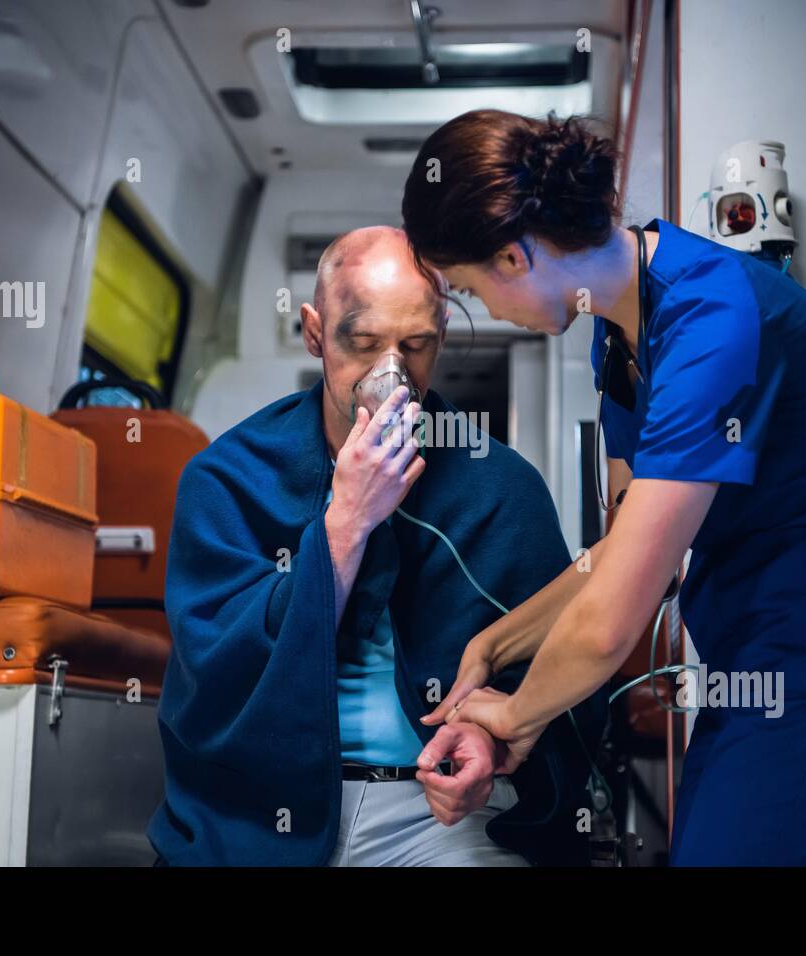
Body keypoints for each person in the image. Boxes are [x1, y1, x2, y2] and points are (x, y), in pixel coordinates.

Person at [403, 111, 806, 865]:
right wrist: (490, 649)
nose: (492, 313)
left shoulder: (710, 321)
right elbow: (620, 554)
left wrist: (514, 717)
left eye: (471, 289)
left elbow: (607, 625)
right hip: (752, 677)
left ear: (515, 259)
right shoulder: (619, 331)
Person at [148, 226, 603, 867]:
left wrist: (493, 743)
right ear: (314, 333)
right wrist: (346, 523)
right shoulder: (229, 478)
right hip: (257, 806)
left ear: (441, 339)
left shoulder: (499, 487)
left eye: (415, 346)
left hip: (436, 816)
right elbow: (216, 672)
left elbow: (562, 662)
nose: (392, 374)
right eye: (361, 345)